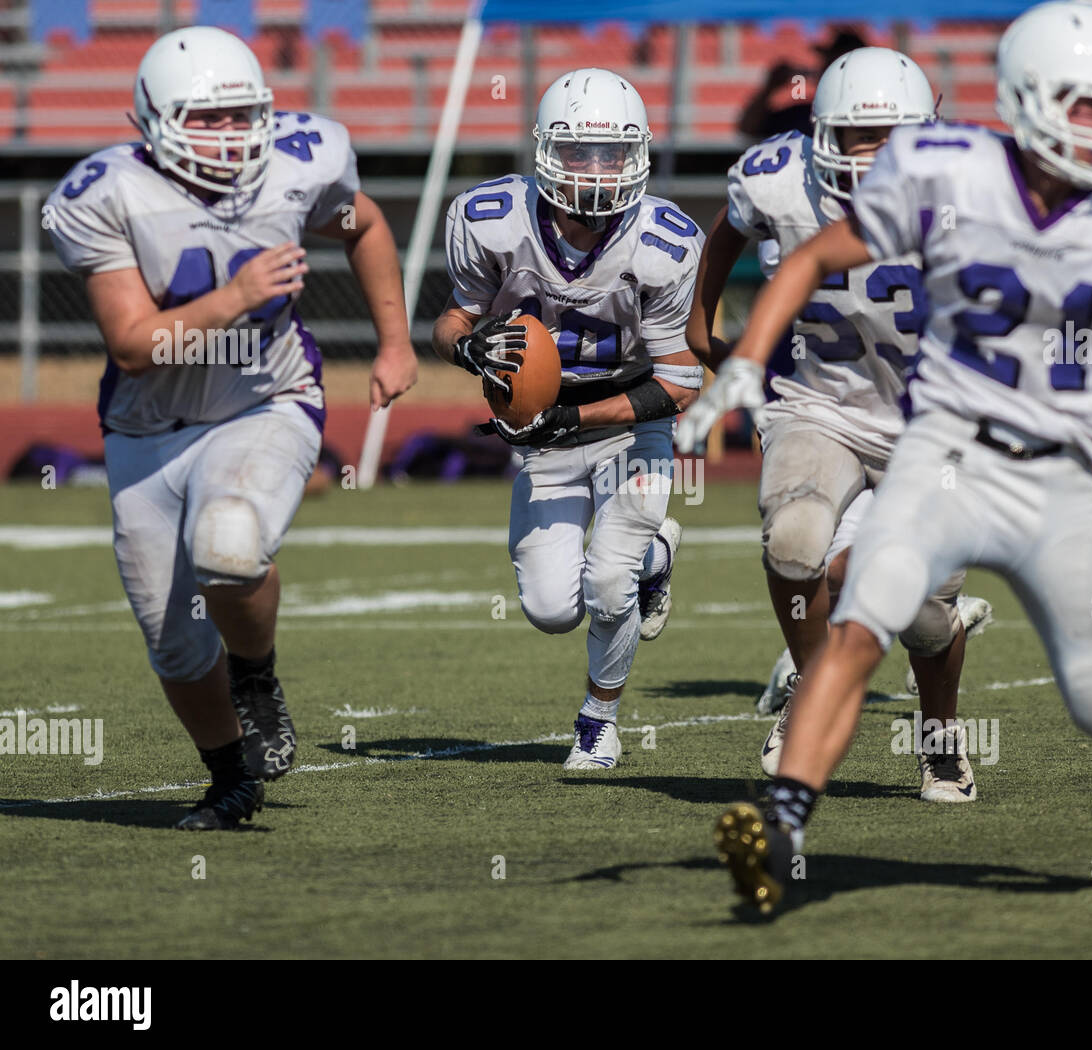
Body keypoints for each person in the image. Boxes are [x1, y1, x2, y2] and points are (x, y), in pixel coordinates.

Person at [679, 1, 1092, 912]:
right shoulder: (944, 176)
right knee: (865, 608)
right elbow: (814, 253)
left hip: (1050, 478)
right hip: (938, 444)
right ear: (1030, 102)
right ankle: (784, 822)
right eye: (1088, 106)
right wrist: (743, 358)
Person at [43, 26, 417, 829]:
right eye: (206, 119)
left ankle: (255, 676)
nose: (229, 134)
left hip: (265, 399)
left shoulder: (301, 159)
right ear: (155, 117)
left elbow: (365, 225)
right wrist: (238, 295)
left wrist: (393, 341)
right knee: (174, 643)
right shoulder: (106, 192)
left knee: (230, 541)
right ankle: (229, 779)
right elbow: (135, 346)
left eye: (242, 114)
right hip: (147, 430)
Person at [685, 47, 992, 801]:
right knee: (792, 540)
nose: (878, 154)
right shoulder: (779, 179)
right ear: (823, 133)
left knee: (921, 612)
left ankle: (941, 735)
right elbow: (726, 227)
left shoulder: (977, 185)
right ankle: (812, 700)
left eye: (895, 136)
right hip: (818, 400)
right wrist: (702, 325)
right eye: (861, 136)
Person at [433, 68, 702, 770]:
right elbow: (451, 320)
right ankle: (657, 555)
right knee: (553, 609)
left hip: (628, 421)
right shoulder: (490, 218)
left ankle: (598, 718)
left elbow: (680, 381)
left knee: (609, 585)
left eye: (611, 154)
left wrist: (581, 419)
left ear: (636, 154)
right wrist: (466, 348)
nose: (595, 171)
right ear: (547, 151)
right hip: (541, 430)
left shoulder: (664, 241)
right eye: (580, 152)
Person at [736, 27, 872, 141]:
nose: (829, 70)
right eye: (828, 63)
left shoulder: (874, 113)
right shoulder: (801, 113)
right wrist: (770, 88)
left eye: (839, 65)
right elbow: (748, 129)